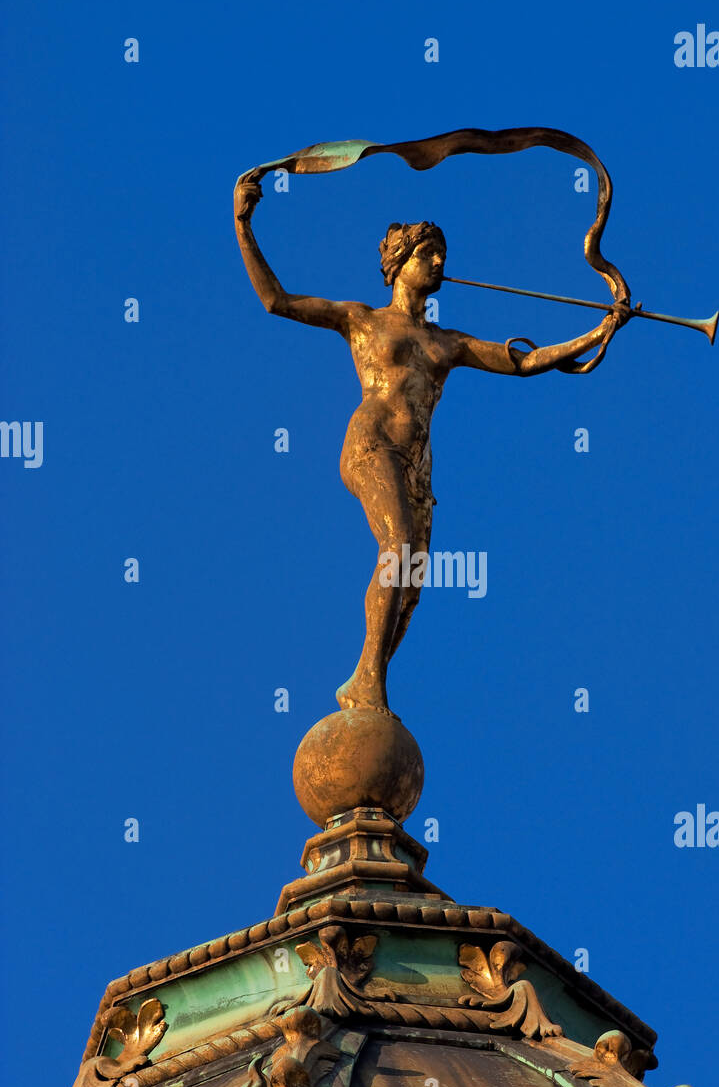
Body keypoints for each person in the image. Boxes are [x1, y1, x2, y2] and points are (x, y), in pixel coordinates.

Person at [234, 171, 630, 715]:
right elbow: (276, 300)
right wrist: (243, 221)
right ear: (400, 263)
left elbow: (522, 362)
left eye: (442, 254)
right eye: (429, 254)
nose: (440, 263)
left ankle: (364, 682)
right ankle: (370, 678)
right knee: (396, 552)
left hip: (417, 465)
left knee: (413, 578)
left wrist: (600, 330)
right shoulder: (362, 320)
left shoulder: (448, 342)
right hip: (372, 445)